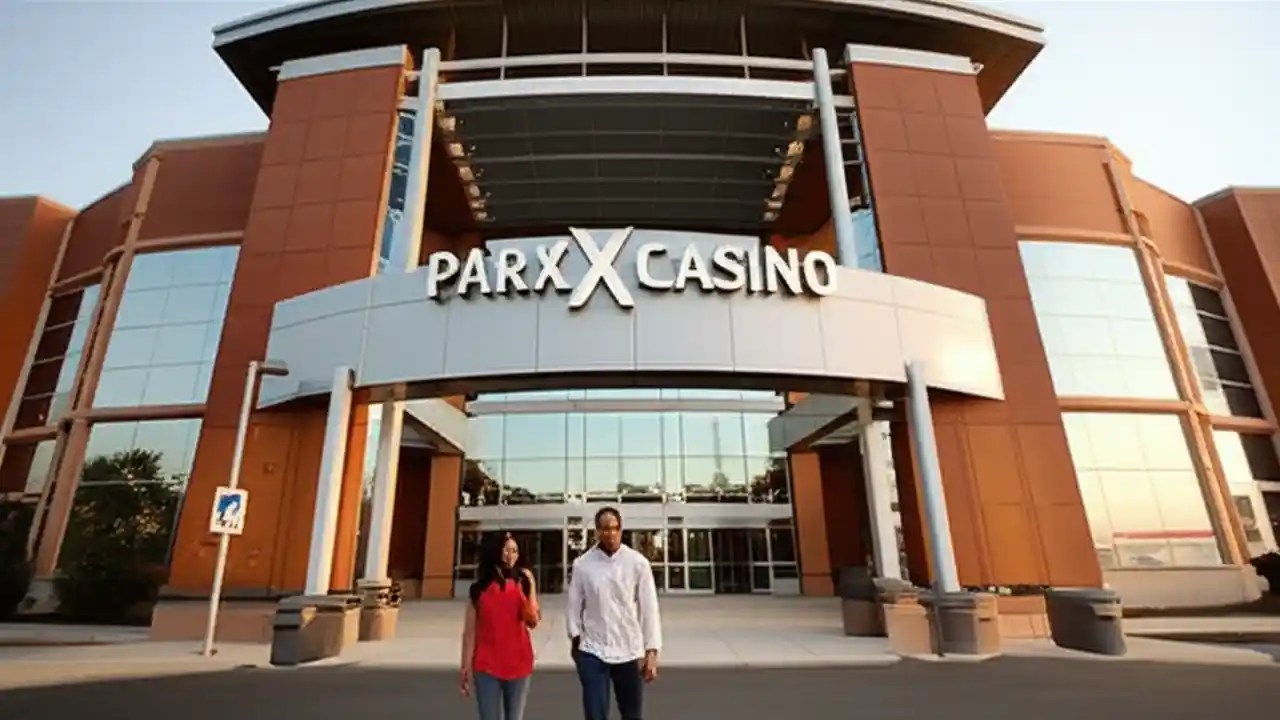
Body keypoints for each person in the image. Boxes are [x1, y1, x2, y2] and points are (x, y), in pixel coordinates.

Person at [566, 507, 662, 720]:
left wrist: (652, 651)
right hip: (593, 650)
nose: (609, 533)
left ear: (621, 529)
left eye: (614, 528)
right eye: (604, 529)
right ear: (597, 531)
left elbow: (649, 608)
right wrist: (576, 639)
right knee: (594, 713)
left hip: (628, 649)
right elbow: (573, 606)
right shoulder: (583, 565)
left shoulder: (638, 563)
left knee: (632, 714)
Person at [460, 532, 541, 720]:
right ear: (496, 552)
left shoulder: (522, 581)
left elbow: (533, 621)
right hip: (487, 665)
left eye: (515, 551)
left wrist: (531, 586)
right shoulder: (479, 589)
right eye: (506, 550)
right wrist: (465, 667)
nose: (510, 555)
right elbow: (469, 632)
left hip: (519, 663)